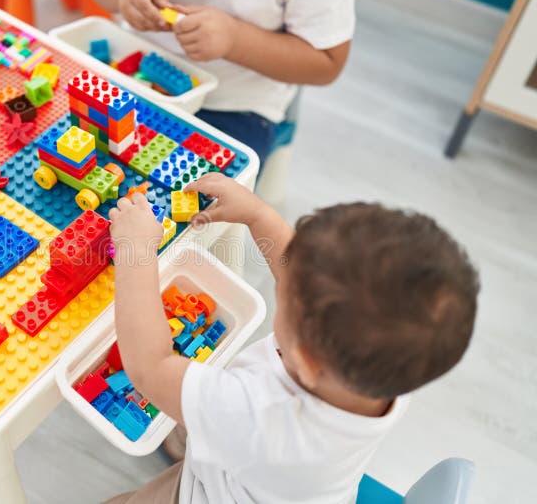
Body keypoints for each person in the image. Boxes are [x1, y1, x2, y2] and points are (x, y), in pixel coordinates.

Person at [104, 173, 479, 503]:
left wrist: (136, 251)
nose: (283, 277)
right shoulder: (391, 363)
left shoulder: (262, 417)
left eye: (284, 296)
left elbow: (151, 367)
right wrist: (258, 215)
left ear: (308, 360)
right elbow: (304, 279)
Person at [85, 0, 355, 173]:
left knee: (194, 210)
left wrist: (235, 40)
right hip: (126, 73)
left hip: (232, 107)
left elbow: (327, 61)